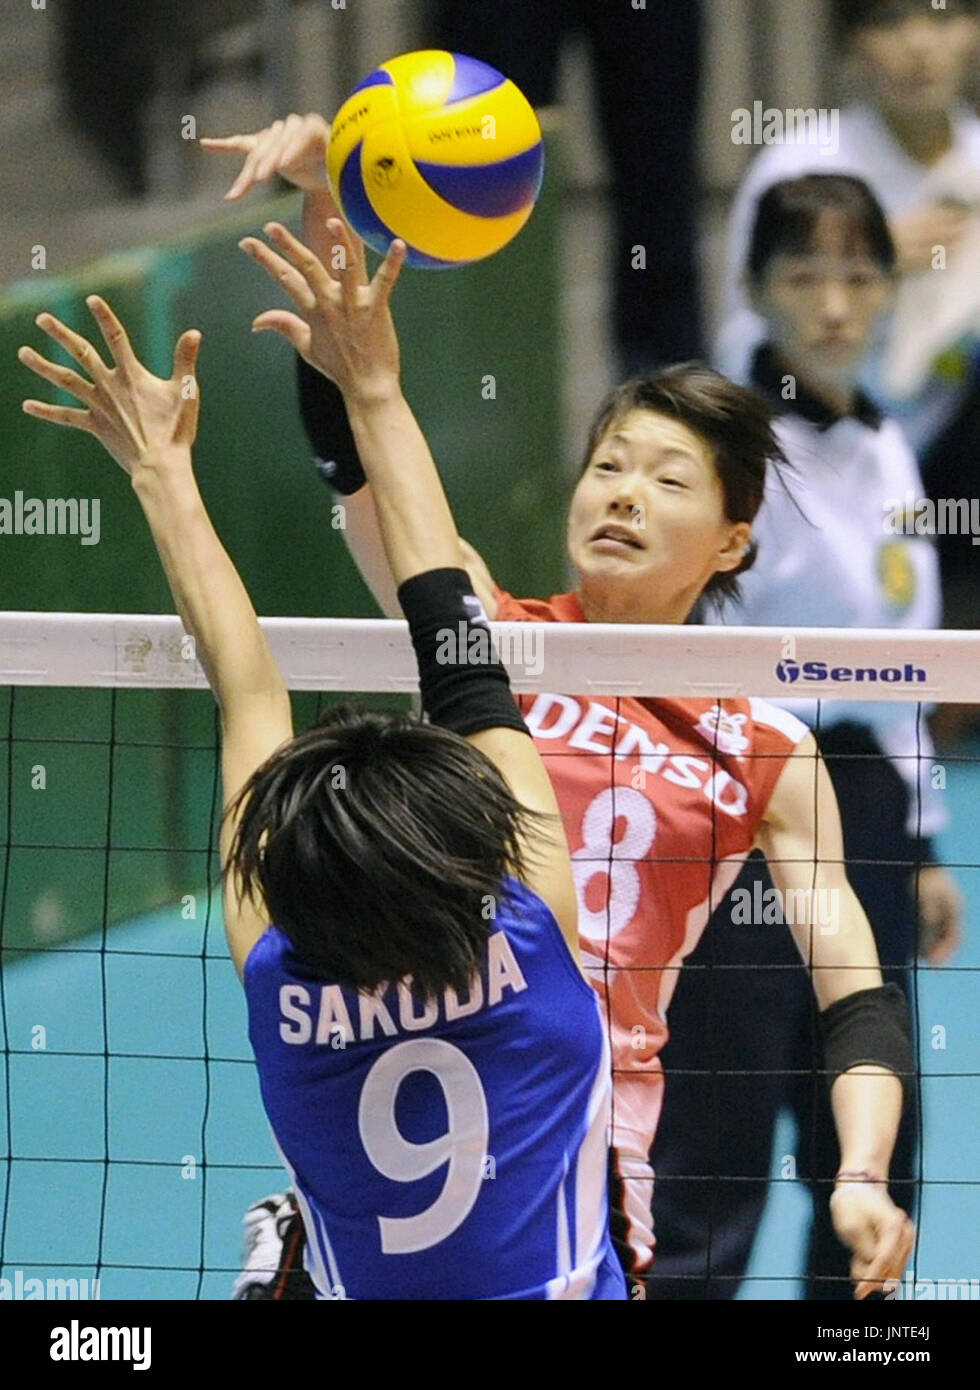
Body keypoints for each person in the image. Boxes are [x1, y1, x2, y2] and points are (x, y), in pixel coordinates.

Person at [215, 130, 918, 1296]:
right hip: (421, 1045)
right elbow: (360, 454)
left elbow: (853, 989)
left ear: (732, 540)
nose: (625, 496)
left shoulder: (762, 745)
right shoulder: (485, 632)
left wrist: (861, 1171)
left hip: (591, 1125)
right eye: (608, 467)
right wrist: (337, 205)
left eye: (668, 479)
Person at [17, 289, 627, 1302]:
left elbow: (243, 683)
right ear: (471, 845)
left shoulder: (278, 970)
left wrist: (159, 468)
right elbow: (453, 640)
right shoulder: (529, 925)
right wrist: (376, 388)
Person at [648, 173, 964, 1300]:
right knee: (714, 1136)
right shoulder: (718, 453)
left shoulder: (884, 447)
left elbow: (903, 663)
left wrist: (918, 840)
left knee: (870, 1131)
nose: (832, 303)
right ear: (751, 288)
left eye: (856, 274)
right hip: (743, 796)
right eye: (802, 274)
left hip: (866, 803)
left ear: (887, 289)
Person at [716, 0, 980, 635]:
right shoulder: (799, 167)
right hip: (813, 444)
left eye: (943, 18)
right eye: (889, 21)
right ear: (852, 42)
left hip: (949, 451)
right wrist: (862, 260)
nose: (919, 45)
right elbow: (735, 350)